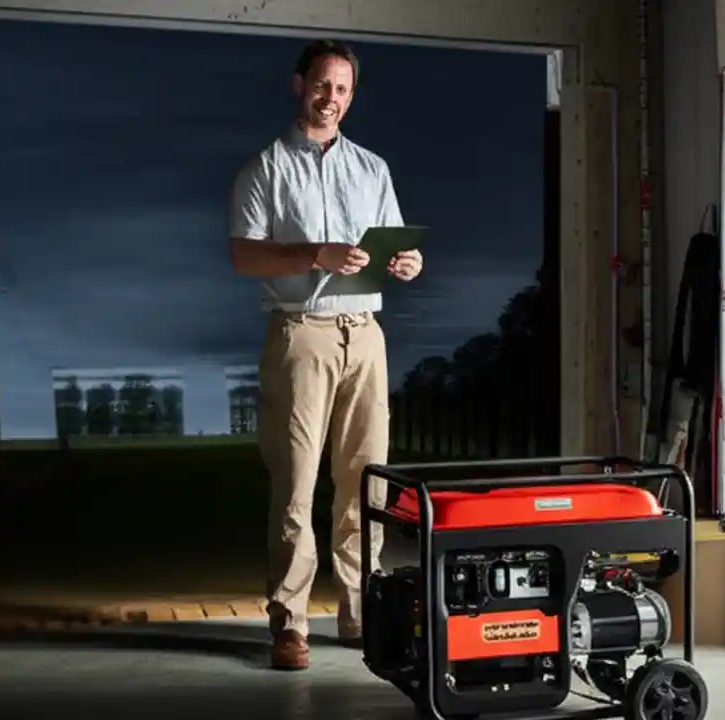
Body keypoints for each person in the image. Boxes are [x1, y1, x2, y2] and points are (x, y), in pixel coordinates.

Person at [228, 39, 423, 671]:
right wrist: (315, 254)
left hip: (366, 331)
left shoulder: (372, 168)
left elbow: (391, 248)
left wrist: (407, 263)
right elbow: (244, 254)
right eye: (321, 85)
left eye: (341, 89)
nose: (330, 97)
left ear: (351, 96)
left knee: (366, 481)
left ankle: (361, 608)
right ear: (298, 85)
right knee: (295, 482)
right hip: (301, 332)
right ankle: (290, 622)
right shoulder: (265, 168)